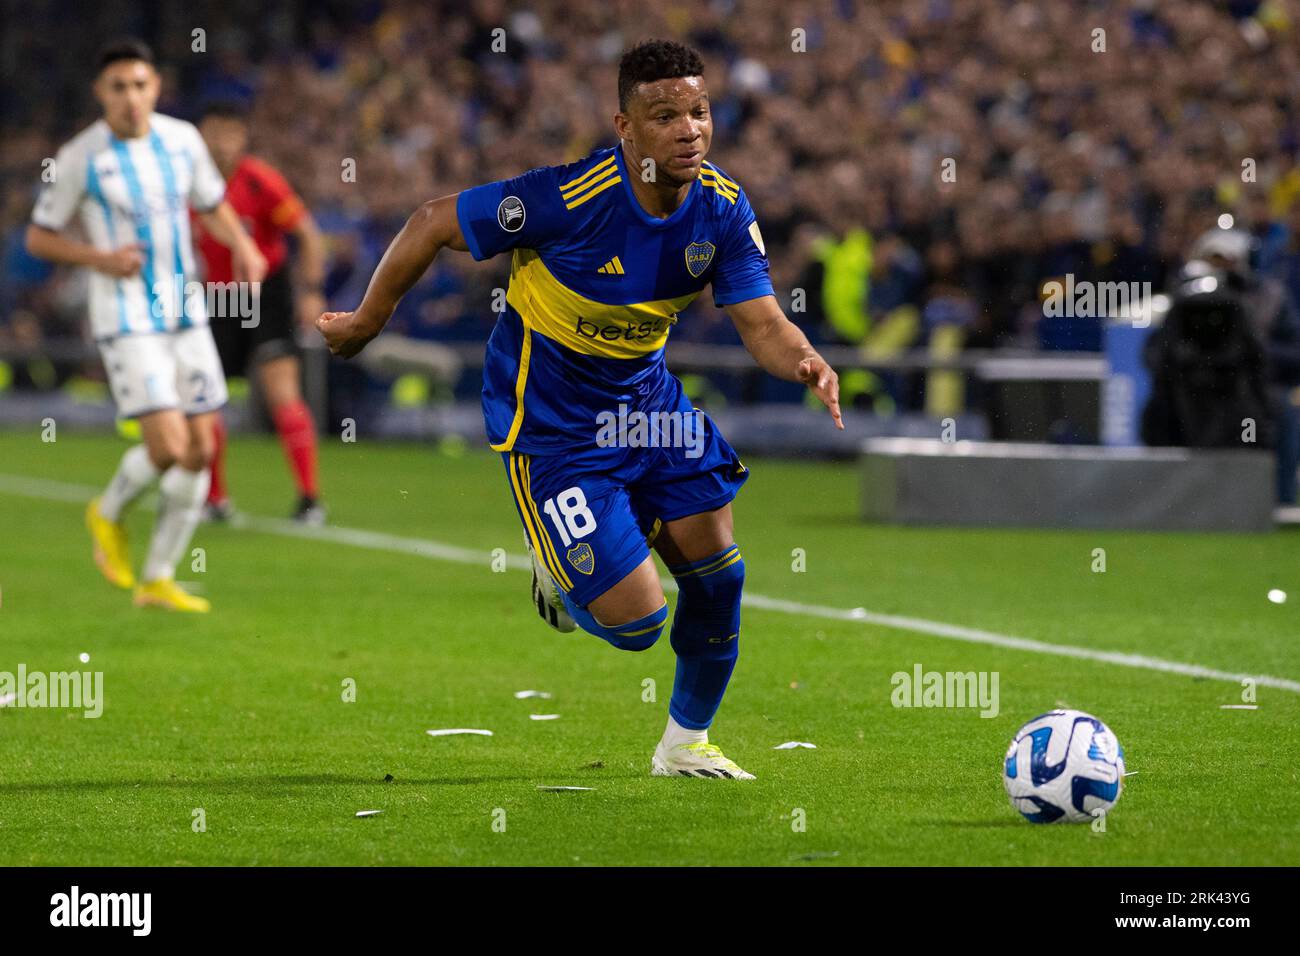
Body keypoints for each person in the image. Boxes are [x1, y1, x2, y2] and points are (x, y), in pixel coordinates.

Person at [316, 39, 842, 779]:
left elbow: (761, 322)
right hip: (556, 427)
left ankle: (685, 744)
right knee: (638, 625)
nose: (690, 129)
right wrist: (369, 321)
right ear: (625, 127)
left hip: (649, 410)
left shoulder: (722, 209)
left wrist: (806, 361)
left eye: (699, 111)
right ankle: (560, 573)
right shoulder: (568, 198)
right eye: (666, 116)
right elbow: (433, 220)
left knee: (720, 575)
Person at [25, 39, 267, 612]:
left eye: (140, 85)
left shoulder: (182, 141)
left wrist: (243, 247)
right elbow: (40, 235)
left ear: (155, 86)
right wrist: (101, 260)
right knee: (169, 443)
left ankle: (157, 578)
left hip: (186, 312)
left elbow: (211, 202)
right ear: (100, 93)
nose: (130, 97)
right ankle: (107, 513)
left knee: (201, 451)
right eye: (118, 88)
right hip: (127, 317)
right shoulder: (81, 155)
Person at [195, 101, 328, 524]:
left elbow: (307, 234)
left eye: (231, 132)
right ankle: (215, 499)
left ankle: (309, 500)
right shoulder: (189, 184)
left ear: (243, 137)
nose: (222, 142)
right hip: (216, 296)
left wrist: (309, 291)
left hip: (265, 292)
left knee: (281, 393)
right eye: (215, 131)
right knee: (206, 398)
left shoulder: (260, 181)